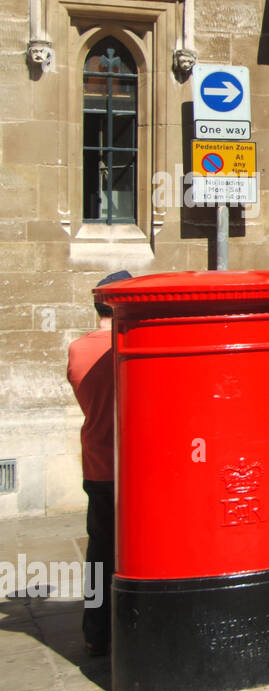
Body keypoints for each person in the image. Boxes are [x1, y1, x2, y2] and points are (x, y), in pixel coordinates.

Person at [67, 270, 132, 656]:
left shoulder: (78, 349)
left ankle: (95, 631)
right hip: (135, 467)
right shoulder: (127, 343)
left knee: (98, 553)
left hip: (97, 464)